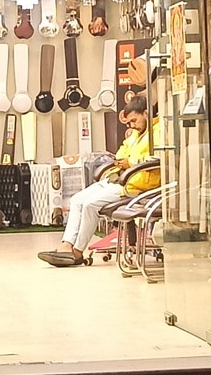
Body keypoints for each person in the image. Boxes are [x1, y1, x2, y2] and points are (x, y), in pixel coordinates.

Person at [37, 110, 157, 268]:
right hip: (119, 178)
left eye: (134, 120)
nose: (132, 125)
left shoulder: (158, 132)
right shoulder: (135, 134)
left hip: (137, 184)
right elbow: (121, 152)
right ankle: (66, 245)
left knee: (90, 204)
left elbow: (156, 159)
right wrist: (123, 161)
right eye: (129, 123)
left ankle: (77, 251)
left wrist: (130, 162)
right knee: (77, 199)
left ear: (146, 113)